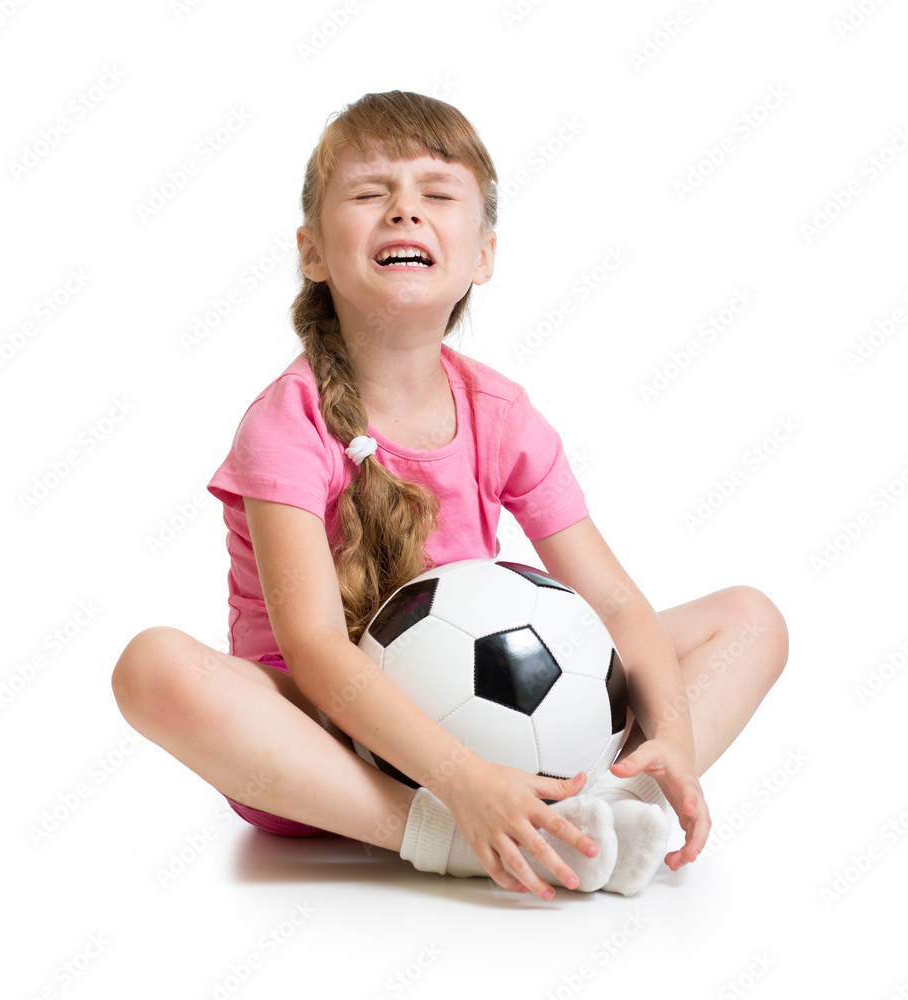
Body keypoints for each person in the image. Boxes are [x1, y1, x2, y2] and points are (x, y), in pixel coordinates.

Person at [111, 90, 789, 901]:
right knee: (153, 666)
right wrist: (459, 782)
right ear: (313, 252)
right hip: (326, 752)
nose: (404, 209)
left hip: (497, 724)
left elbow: (611, 600)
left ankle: (620, 809)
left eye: (436, 194)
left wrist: (671, 734)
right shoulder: (286, 424)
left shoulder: (498, 412)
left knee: (748, 619)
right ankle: (443, 834)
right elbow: (315, 647)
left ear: (483, 255)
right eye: (370, 192)